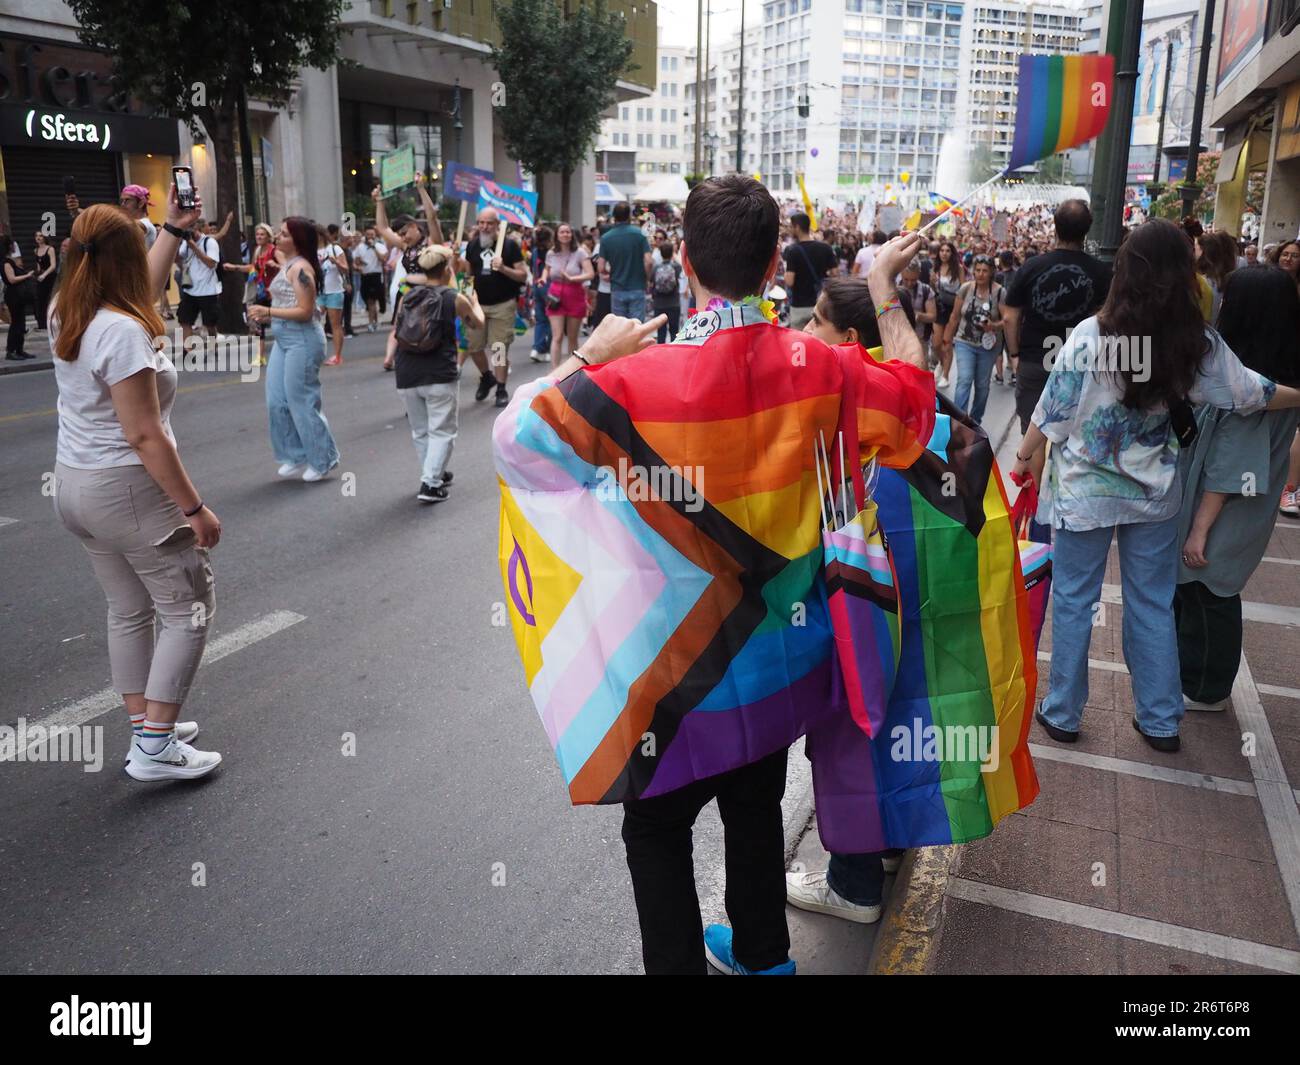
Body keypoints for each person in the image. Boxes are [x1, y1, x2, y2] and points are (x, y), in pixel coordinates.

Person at [494, 176, 935, 975]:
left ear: (685, 260)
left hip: (672, 679)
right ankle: (768, 959)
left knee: (657, 833)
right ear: (775, 264)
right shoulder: (823, 368)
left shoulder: (626, 384)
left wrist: (591, 354)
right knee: (756, 809)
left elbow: (516, 444)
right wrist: (881, 288)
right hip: (778, 669)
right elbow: (912, 406)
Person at [1013, 219, 1300, 754]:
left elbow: (1052, 414)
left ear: (1125, 271)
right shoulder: (1197, 344)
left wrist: (1025, 454)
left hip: (1085, 492)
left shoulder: (1091, 335)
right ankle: (1161, 720)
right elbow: (1249, 393)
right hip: (1154, 497)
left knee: (1075, 601)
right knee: (1151, 602)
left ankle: (1063, 713)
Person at [49, 193, 223, 781]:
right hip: (125, 489)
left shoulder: (65, 310)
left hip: (74, 486)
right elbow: (147, 436)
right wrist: (194, 507)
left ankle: (149, 727)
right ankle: (155, 747)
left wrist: (172, 228)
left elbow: (136, 291)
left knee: (128, 609)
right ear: (125, 260)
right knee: (189, 608)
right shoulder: (122, 333)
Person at [1176, 267, 1300, 708]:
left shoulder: (1248, 389)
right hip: (1253, 506)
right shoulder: (1279, 380)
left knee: (1207, 590)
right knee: (1213, 589)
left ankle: (1205, 687)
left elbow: (1227, 470)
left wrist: (1199, 529)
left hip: (1224, 508)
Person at [1003, 199, 1110, 432]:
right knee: (1072, 433)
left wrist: (1013, 354)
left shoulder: (1032, 267)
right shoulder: (1101, 272)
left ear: (1055, 225)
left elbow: (1010, 316)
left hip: (1035, 359)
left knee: (1032, 434)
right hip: (1080, 362)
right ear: (1087, 229)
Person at [247, 218, 340, 482]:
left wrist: (268, 311)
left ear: (297, 240)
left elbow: (305, 311)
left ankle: (323, 460)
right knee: (276, 400)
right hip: (284, 338)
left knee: (302, 402)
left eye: (284, 234)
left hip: (303, 339)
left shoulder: (302, 269)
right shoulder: (287, 261)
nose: (278, 236)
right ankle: (295, 455)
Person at [391, 244, 483, 503]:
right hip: (439, 373)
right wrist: (475, 304)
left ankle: (435, 474)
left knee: (421, 431)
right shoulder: (453, 297)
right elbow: (477, 324)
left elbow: (398, 327)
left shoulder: (408, 294)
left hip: (406, 371)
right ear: (447, 269)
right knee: (442, 431)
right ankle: (431, 484)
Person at [463, 207, 528, 407]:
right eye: (481, 222)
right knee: (473, 346)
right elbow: (467, 275)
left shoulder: (509, 246)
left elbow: (523, 275)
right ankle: (486, 377)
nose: (485, 226)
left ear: (497, 224)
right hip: (478, 306)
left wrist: (503, 268)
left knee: (498, 348)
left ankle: (501, 388)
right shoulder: (473, 245)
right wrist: (466, 301)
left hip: (502, 305)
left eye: (489, 223)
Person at [942, 254, 1005, 424]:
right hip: (964, 342)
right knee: (964, 379)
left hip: (988, 346)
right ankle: (958, 422)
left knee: (982, 386)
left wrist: (993, 325)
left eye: (985, 270)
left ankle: (975, 422)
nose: (981, 274)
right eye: (977, 270)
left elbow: (1006, 320)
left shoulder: (999, 292)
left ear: (991, 272)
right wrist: (946, 339)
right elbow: (955, 316)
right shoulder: (965, 289)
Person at [222, 222, 278, 365]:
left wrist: (275, 266)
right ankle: (260, 356)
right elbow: (253, 267)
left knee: (279, 322)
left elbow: (285, 267)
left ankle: (283, 352)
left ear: (268, 236)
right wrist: (235, 267)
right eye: (257, 234)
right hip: (260, 292)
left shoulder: (274, 251)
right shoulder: (258, 250)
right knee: (256, 323)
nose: (259, 237)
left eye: (262, 234)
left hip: (273, 292)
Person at [540, 222, 593, 369]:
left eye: (568, 232)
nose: (565, 235)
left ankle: (573, 370)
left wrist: (572, 279)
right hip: (555, 297)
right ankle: (554, 371)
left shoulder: (581, 252)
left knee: (572, 337)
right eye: (562, 232)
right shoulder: (551, 253)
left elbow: (590, 274)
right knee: (556, 336)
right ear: (557, 235)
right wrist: (543, 278)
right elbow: (546, 269)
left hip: (575, 295)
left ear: (572, 234)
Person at [782, 212, 838, 329]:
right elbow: (835, 274)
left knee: (798, 342)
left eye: (791, 227)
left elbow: (789, 281)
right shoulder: (825, 248)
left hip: (799, 306)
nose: (790, 230)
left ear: (797, 227)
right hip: (821, 304)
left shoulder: (792, 250)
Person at [599, 201, 653, 321]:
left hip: (617, 287)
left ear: (614, 216)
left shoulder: (606, 238)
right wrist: (647, 278)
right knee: (637, 326)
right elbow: (648, 261)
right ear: (629, 216)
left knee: (620, 327)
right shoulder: (640, 234)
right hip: (638, 286)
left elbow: (601, 267)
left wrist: (608, 275)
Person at [175, 219, 221, 343]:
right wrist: (176, 241)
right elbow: (178, 259)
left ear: (197, 228)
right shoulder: (185, 242)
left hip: (208, 291)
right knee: (184, 321)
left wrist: (192, 244)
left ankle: (212, 348)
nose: (190, 233)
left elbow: (211, 263)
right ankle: (188, 352)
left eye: (191, 229)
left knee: (210, 324)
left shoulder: (210, 242)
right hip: (190, 290)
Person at [930, 240, 963, 387]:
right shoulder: (935, 268)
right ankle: (941, 364)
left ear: (952, 253)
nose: (944, 253)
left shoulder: (959, 269)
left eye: (947, 251)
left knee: (946, 343)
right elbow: (933, 289)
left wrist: (958, 311)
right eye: (942, 250)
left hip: (953, 308)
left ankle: (946, 375)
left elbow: (962, 291)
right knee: (936, 343)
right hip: (939, 308)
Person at [317, 223, 348, 366]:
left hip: (334, 291)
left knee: (335, 324)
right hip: (318, 292)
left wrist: (336, 262)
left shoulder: (335, 249)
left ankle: (337, 355)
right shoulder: (311, 250)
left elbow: (346, 269)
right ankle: (316, 353)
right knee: (313, 321)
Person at [353, 226, 387, 333]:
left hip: (376, 275)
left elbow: (383, 260)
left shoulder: (380, 246)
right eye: (368, 235)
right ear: (365, 235)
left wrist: (374, 248)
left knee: (373, 300)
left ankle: (371, 323)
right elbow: (356, 261)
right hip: (365, 276)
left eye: (372, 234)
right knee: (369, 300)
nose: (370, 237)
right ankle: (374, 322)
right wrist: (358, 267)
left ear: (375, 235)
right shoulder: (360, 247)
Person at [3, 249, 35, 361]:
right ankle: (10, 351)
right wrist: (27, 276)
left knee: (21, 323)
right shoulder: (6, 262)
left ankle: (19, 350)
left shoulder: (10, 260)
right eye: (12, 245)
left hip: (18, 296)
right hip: (13, 296)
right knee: (16, 323)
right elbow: (11, 279)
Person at [527, 224, 553, 362]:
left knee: (540, 320)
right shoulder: (552, 252)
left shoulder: (535, 251)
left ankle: (536, 348)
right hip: (550, 287)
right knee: (552, 320)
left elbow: (532, 269)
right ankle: (548, 350)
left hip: (536, 286)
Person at [650, 240, 683, 343]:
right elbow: (681, 265)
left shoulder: (656, 268)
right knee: (674, 331)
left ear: (660, 253)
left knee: (661, 332)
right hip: (673, 303)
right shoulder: (676, 267)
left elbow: (651, 281)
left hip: (659, 304)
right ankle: (674, 353)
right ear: (672, 252)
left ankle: (661, 353)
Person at [33, 231, 58, 332]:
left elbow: (53, 265)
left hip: (50, 276)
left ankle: (52, 321)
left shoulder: (50, 249)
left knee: (50, 298)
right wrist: (36, 273)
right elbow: (38, 266)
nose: (38, 238)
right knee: (40, 299)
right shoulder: (36, 250)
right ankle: (42, 324)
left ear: (44, 237)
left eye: (40, 236)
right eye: (36, 236)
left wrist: (44, 275)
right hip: (41, 277)